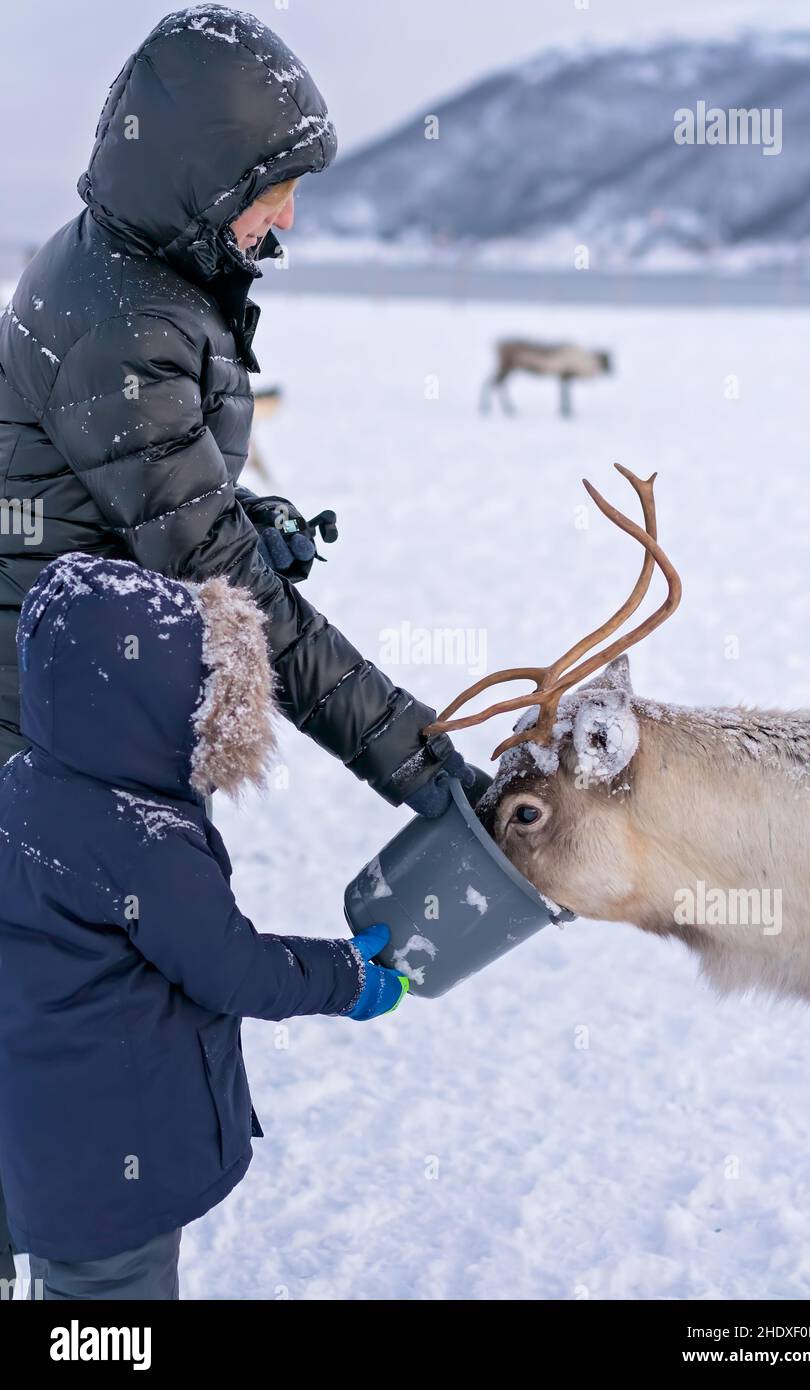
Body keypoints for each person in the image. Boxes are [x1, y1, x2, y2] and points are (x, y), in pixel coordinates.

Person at [0, 6, 482, 1284]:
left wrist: (239, 513)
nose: (282, 225)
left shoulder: (132, 270)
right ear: (198, 180)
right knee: (81, 1050)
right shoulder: (128, 324)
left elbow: (134, 499)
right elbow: (232, 601)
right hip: (42, 736)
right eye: (268, 196)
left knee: (48, 1039)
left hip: (56, 712)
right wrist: (425, 764)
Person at [0, 552, 410, 1300]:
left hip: (44, 1139)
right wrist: (344, 976)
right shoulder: (144, 841)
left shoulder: (21, 785)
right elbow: (229, 969)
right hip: (122, 1155)